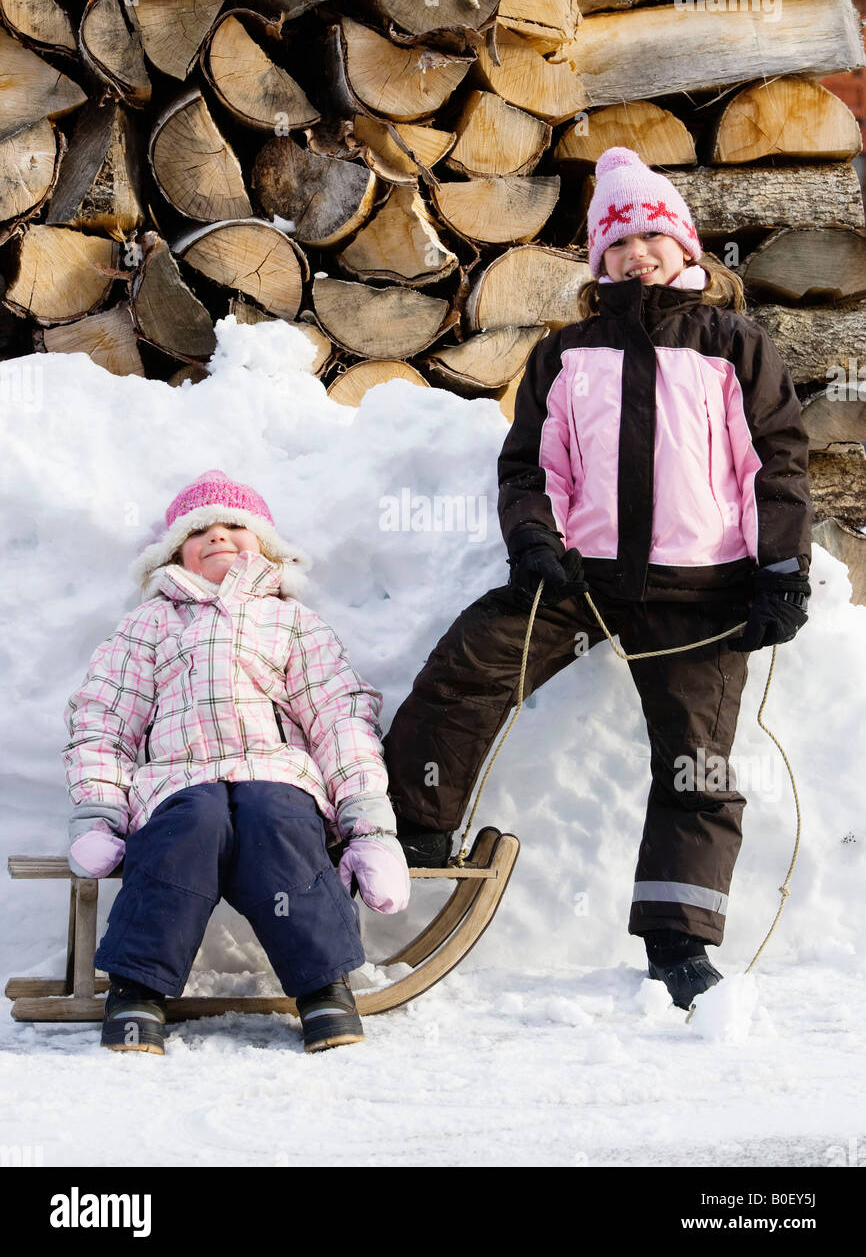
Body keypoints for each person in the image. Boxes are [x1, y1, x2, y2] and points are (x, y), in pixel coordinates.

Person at [386, 146, 812, 1010]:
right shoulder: (566, 354)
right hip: (581, 577)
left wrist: (781, 570)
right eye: (618, 245)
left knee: (697, 762)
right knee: (470, 665)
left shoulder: (734, 346)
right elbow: (529, 470)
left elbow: (777, 464)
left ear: (685, 247)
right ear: (598, 262)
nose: (637, 255)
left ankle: (678, 939)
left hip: (703, 588)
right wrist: (535, 543)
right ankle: (412, 833)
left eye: (653, 237)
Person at [64, 470, 409, 1054]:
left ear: (265, 545)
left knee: (277, 821)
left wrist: (370, 824)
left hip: (277, 773)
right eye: (199, 531)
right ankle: (138, 988)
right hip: (177, 779)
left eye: (234, 526)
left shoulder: (293, 620)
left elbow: (338, 717)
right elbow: (105, 715)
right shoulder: (149, 624)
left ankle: (324, 983)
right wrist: (97, 811)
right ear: (175, 554)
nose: (218, 537)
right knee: (186, 828)